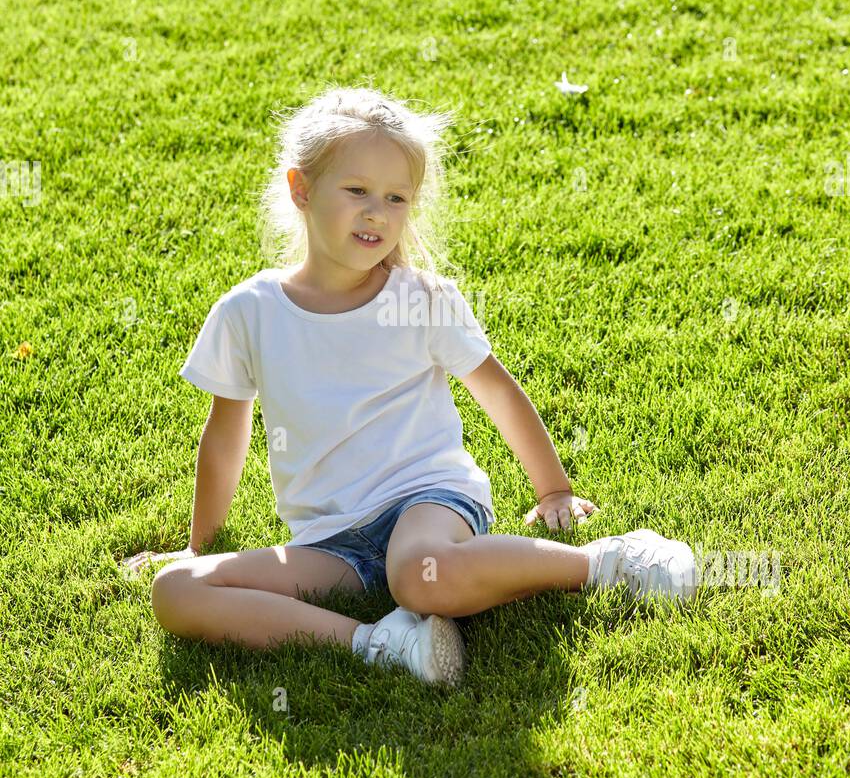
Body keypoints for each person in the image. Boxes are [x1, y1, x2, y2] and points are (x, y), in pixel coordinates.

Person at [127, 86, 698, 688]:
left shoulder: (420, 300)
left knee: (421, 575)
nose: (377, 212)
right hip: (331, 546)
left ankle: (608, 561)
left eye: (396, 197)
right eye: (357, 191)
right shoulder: (251, 311)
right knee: (178, 593)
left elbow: (499, 393)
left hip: (427, 504)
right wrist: (200, 547)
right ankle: (380, 643)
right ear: (301, 188)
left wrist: (554, 490)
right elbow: (225, 437)